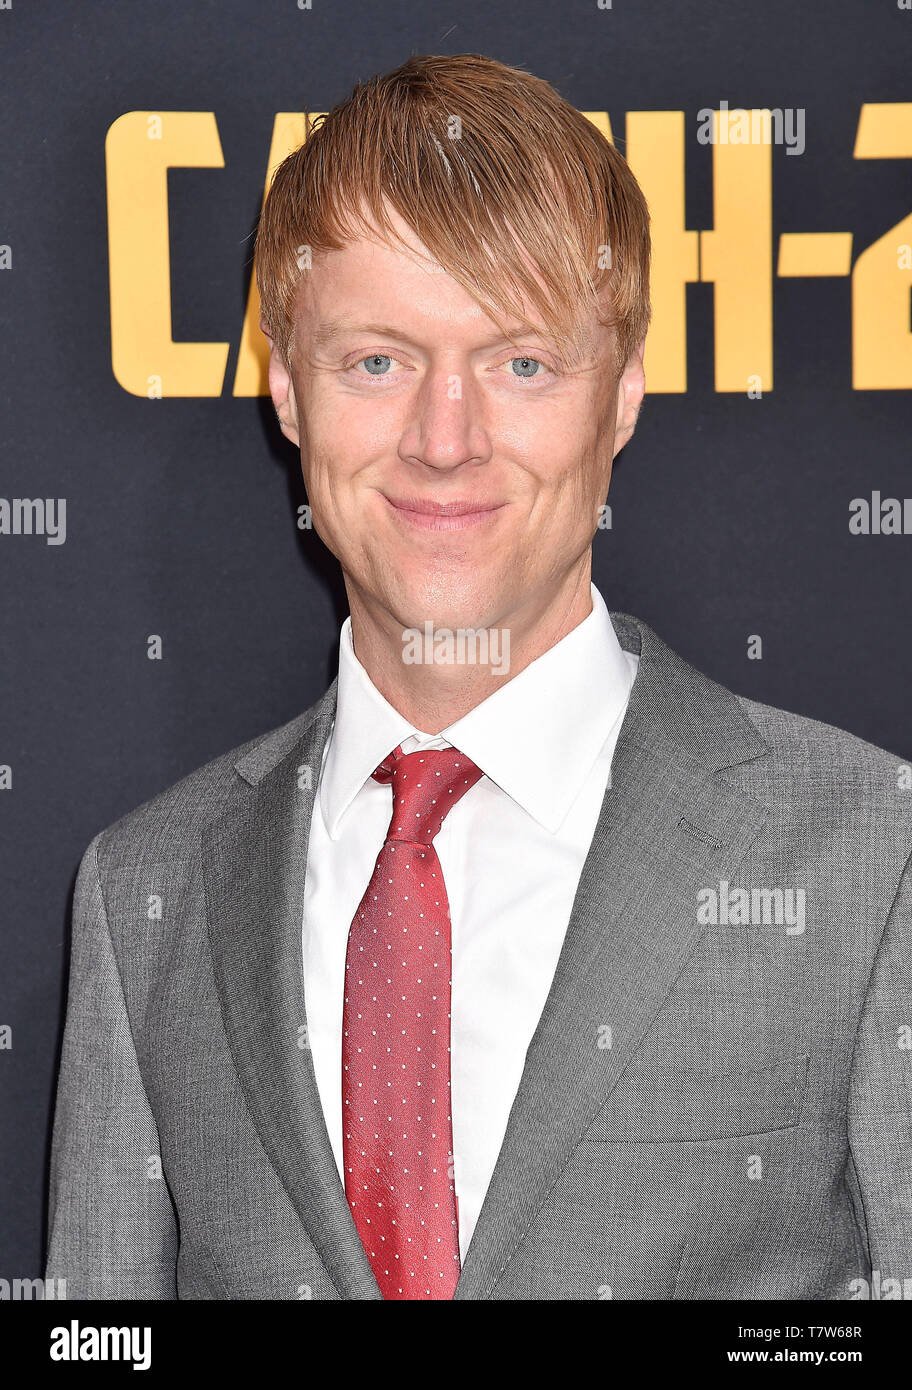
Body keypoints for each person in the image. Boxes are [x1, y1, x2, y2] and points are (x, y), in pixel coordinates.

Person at [46, 52, 912, 1301]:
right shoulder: (145, 899)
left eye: (520, 363)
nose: (443, 440)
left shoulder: (870, 858)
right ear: (288, 388)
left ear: (622, 392)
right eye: (378, 362)